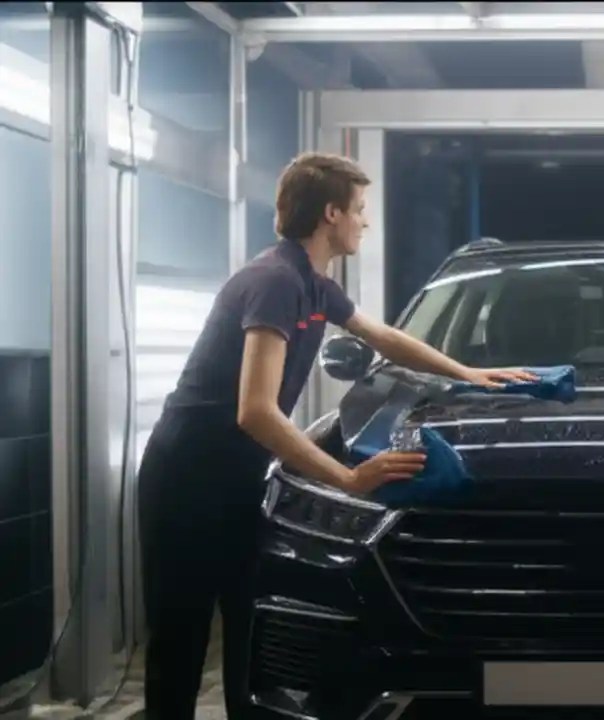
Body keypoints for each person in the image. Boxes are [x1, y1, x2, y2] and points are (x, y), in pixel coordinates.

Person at [135, 152, 535, 719]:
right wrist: (349, 477)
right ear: (331, 214)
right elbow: (255, 411)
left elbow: (385, 338)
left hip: (238, 478)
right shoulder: (275, 282)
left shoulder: (312, 283)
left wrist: (467, 373)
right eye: (359, 210)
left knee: (249, 639)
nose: (364, 222)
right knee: (180, 644)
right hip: (187, 480)